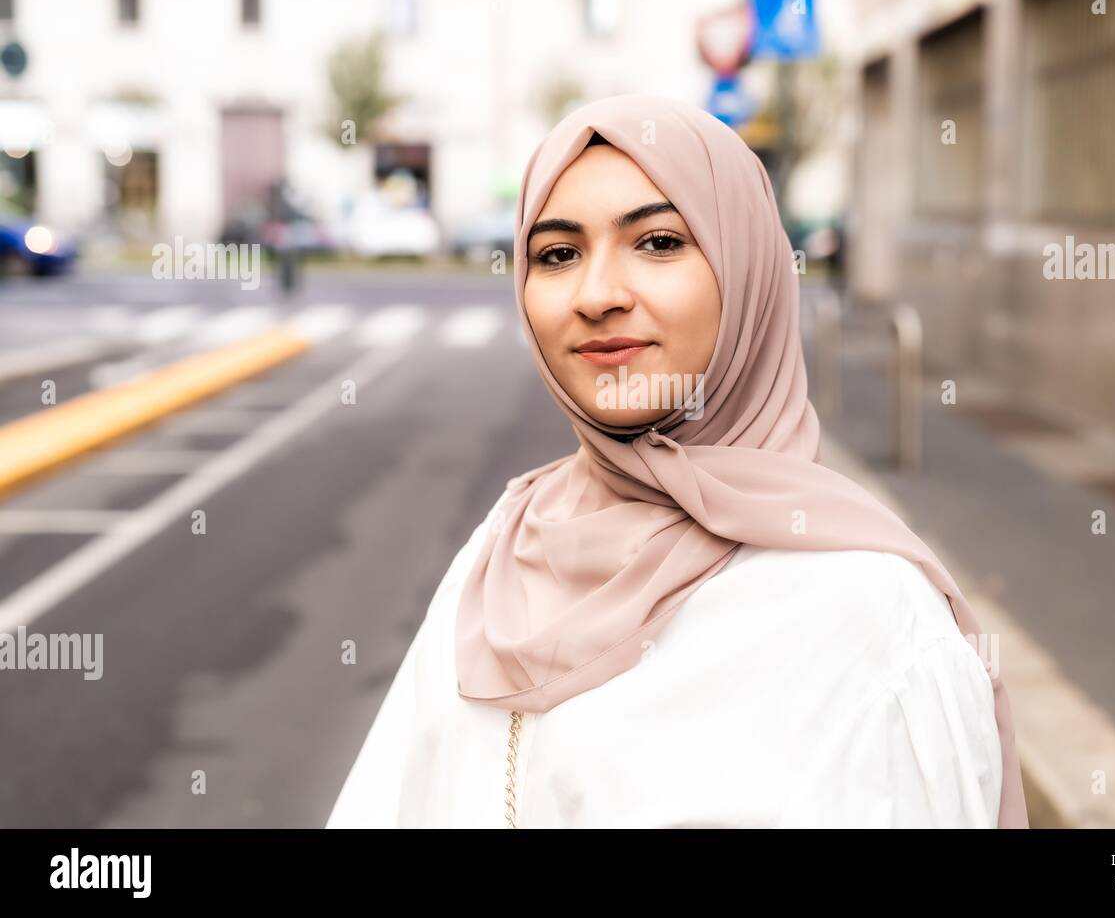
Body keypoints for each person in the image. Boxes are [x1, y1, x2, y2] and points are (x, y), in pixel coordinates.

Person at [326, 94, 1030, 828]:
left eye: (658, 243)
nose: (597, 295)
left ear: (748, 268)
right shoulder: (507, 541)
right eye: (558, 254)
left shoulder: (867, 610)